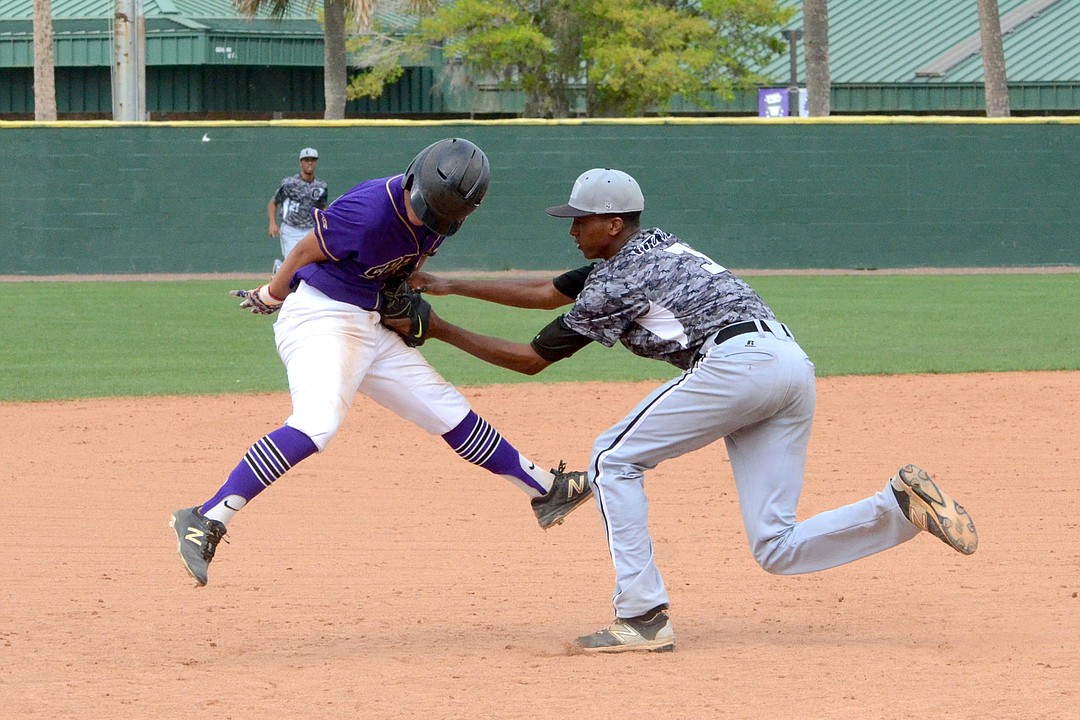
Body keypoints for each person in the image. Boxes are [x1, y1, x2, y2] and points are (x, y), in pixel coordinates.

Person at [389, 167, 979, 653]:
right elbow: (549, 290)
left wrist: (436, 329)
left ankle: (643, 616)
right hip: (790, 366)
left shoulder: (620, 280)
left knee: (612, 457)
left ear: (613, 224)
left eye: (581, 220)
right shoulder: (653, 246)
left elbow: (531, 359)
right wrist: (448, 285)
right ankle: (899, 508)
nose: (572, 230)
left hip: (739, 365)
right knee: (775, 545)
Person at [169, 139, 591, 588]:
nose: (427, 217)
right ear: (414, 176)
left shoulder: (444, 215)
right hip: (320, 318)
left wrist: (400, 301)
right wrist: (272, 294)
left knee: (447, 410)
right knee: (317, 424)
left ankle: (546, 490)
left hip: (370, 322)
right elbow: (302, 253)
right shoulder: (370, 209)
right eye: (426, 206)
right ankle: (205, 517)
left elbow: (407, 266)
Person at [268, 147, 328, 270]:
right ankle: (279, 268)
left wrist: (325, 226)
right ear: (300, 163)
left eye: (312, 160)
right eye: (306, 160)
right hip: (291, 229)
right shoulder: (289, 183)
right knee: (292, 264)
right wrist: (273, 223)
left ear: (316, 162)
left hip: (311, 230)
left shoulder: (321, 186)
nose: (309, 163)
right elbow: (273, 202)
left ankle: (282, 270)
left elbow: (323, 208)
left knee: (311, 264)